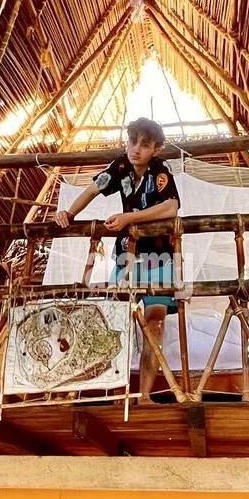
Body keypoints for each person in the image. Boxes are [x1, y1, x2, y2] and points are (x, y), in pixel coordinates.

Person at [54, 118, 180, 399]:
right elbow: (91, 189)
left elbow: (171, 207)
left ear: (156, 149)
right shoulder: (119, 167)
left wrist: (129, 217)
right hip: (127, 255)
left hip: (159, 257)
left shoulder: (161, 171)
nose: (135, 149)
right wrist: (69, 213)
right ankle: (111, 393)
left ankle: (145, 397)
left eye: (144, 145)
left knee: (155, 325)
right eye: (132, 142)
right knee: (114, 321)